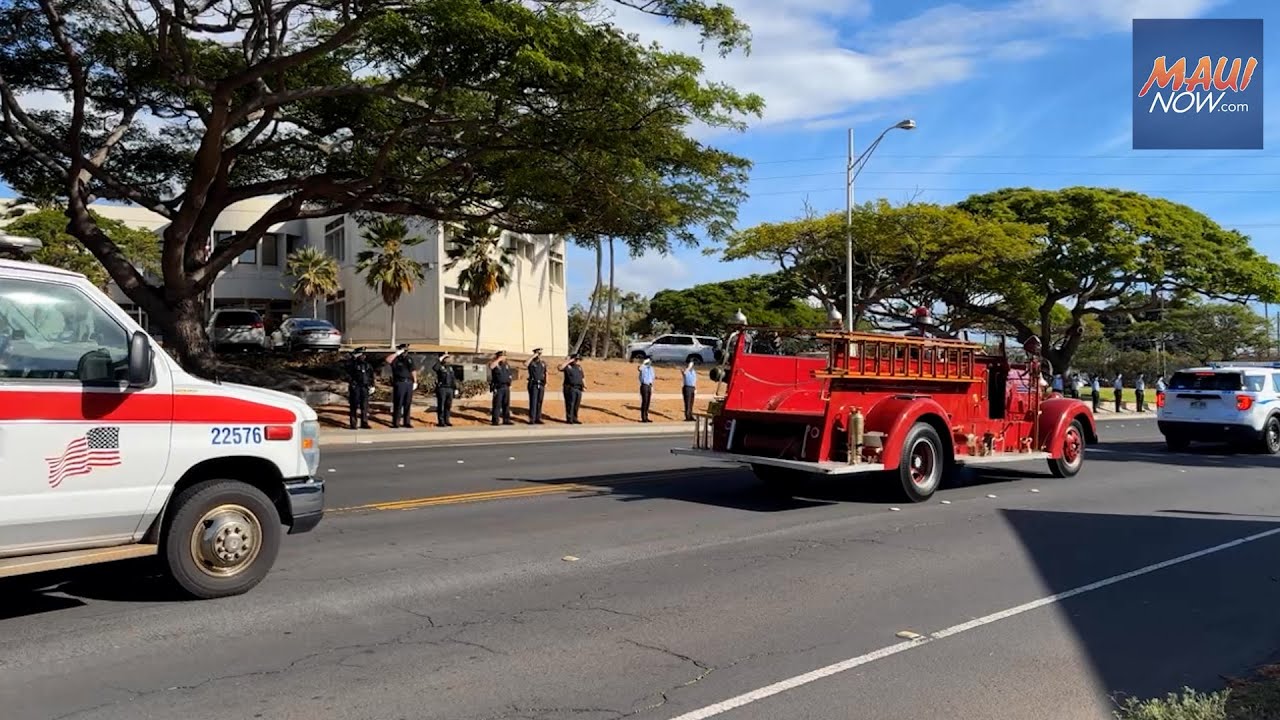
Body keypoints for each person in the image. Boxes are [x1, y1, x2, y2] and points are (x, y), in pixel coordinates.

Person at [384, 344, 417, 428]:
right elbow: (388, 360)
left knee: (407, 403)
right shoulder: (395, 359)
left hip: (409, 383)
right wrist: (397, 353)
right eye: (403, 350)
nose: (405, 352)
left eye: (406, 350)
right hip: (399, 383)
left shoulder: (409, 359)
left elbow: (413, 370)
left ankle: (407, 422)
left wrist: (415, 381)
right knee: (398, 403)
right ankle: (396, 423)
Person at [343, 346, 374, 430]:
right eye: (361, 354)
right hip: (355, 387)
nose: (363, 356)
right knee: (354, 406)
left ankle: (364, 422)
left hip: (364, 387)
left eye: (364, 354)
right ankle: (353, 424)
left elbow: (371, 376)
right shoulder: (352, 364)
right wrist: (353, 357)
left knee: (364, 406)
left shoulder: (367, 365)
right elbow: (346, 371)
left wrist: (372, 385)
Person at [489, 350, 514, 426]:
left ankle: (506, 419)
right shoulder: (495, 363)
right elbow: (491, 366)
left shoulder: (506, 365)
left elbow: (509, 374)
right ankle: (495, 420)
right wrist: (499, 359)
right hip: (498, 387)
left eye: (504, 356)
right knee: (497, 404)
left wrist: (510, 383)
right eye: (502, 356)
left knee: (506, 404)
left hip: (506, 386)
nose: (504, 358)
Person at [559, 354, 585, 424]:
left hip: (578, 388)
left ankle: (575, 418)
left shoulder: (579, 367)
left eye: (578, 360)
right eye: (575, 359)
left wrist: (584, 386)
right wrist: (569, 361)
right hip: (570, 387)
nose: (577, 361)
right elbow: (560, 368)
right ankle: (569, 419)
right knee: (570, 404)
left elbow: (582, 377)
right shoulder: (567, 366)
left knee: (577, 404)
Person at [433, 352, 457, 427]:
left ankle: (447, 420)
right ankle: (441, 421)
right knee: (441, 405)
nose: (447, 359)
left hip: (449, 388)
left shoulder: (450, 367)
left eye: (447, 358)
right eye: (445, 358)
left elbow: (453, 378)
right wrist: (439, 360)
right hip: (442, 388)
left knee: (448, 405)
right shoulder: (439, 366)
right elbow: (435, 368)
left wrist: (455, 388)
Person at [526, 348, 547, 424]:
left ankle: (538, 418)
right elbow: (525, 364)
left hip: (541, 384)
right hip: (533, 383)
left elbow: (545, 373)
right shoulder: (531, 362)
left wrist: (546, 382)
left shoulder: (543, 363)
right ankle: (532, 418)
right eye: (538, 354)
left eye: (540, 354)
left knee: (539, 401)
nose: (539, 356)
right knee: (533, 401)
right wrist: (533, 356)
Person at [638, 357, 655, 422]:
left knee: (648, 402)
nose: (650, 362)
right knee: (644, 402)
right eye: (649, 360)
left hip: (649, 386)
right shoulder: (643, 367)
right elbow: (639, 368)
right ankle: (643, 417)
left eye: (651, 361)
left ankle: (646, 416)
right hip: (644, 385)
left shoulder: (651, 369)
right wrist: (644, 362)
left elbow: (652, 377)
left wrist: (651, 386)